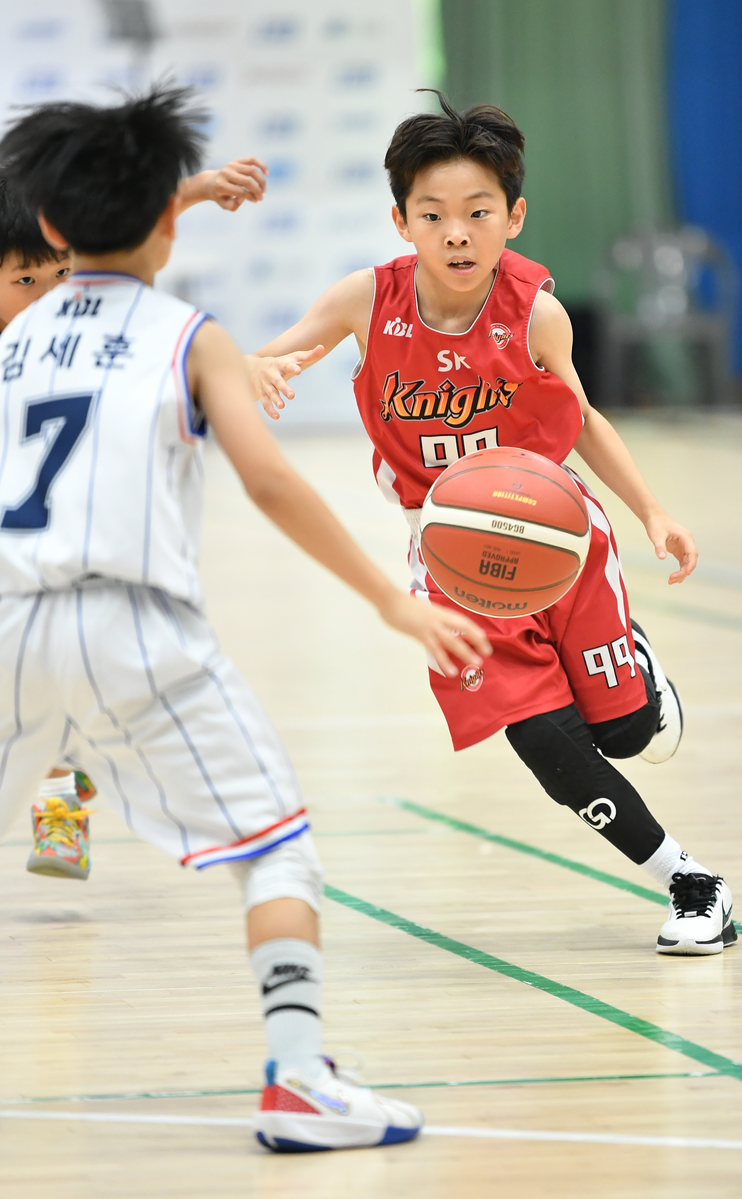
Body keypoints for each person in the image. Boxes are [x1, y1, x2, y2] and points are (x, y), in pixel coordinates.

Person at [0, 84, 492, 1151]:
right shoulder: (191, 333)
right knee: (276, 845)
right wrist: (389, 600)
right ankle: (298, 1077)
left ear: (44, 227)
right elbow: (270, 483)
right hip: (136, 628)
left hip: (9, 625)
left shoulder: (17, 336)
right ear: (170, 223)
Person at [246, 93, 735, 957]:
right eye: (433, 215)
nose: (458, 234)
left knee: (624, 732)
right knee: (543, 738)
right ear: (401, 221)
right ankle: (692, 882)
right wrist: (260, 370)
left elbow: (580, 420)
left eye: (478, 213)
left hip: (560, 536)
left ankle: (641, 676)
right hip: (453, 560)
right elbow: (276, 352)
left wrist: (651, 511)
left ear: (514, 215)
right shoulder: (367, 301)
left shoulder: (537, 311)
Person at [0, 153, 269, 882]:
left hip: (71, 569)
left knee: (64, 682)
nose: (48, 293)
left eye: (59, 275)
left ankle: (62, 809)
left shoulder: (95, 338)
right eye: (25, 280)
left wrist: (201, 190)